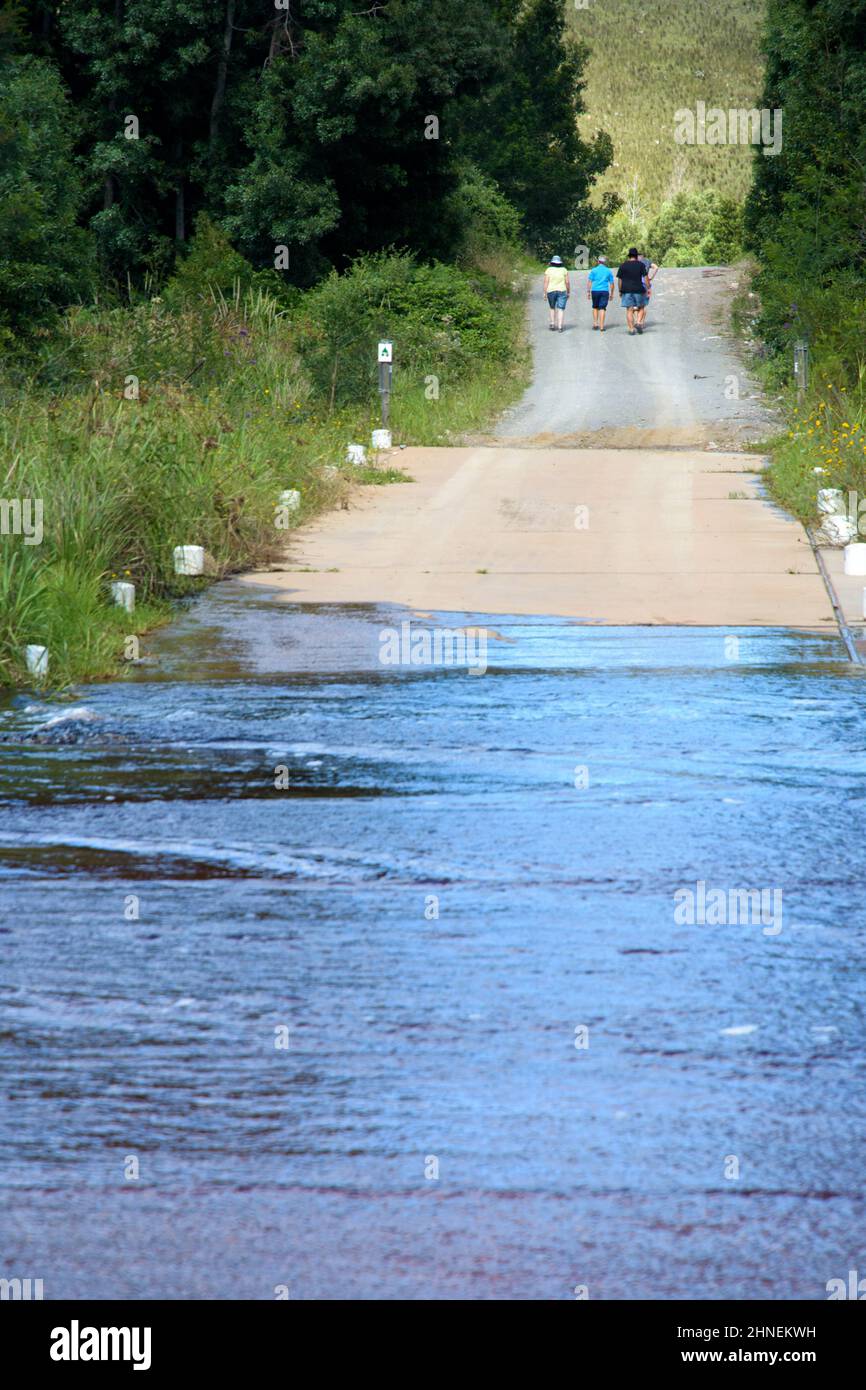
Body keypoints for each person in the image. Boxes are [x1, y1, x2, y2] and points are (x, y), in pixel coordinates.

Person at [616, 247, 649, 336]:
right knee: (641, 307)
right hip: (638, 290)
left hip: (626, 290)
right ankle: (638, 322)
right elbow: (646, 278)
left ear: (629, 256)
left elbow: (619, 279)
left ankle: (631, 329)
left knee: (629, 310)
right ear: (636, 256)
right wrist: (648, 288)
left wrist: (620, 290)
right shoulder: (641, 265)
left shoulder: (623, 265)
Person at [586, 254, 615, 332]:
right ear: (605, 262)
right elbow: (612, 284)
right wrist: (612, 294)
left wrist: (588, 292)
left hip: (595, 290)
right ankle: (602, 327)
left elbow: (589, 281)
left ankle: (595, 324)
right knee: (602, 308)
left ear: (598, 262)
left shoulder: (594, 270)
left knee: (595, 307)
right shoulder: (608, 271)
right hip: (604, 291)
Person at [543, 255, 570, 333]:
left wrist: (544, 293)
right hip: (562, 290)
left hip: (551, 291)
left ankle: (552, 323)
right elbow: (567, 282)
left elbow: (546, 282)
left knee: (552, 307)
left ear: (552, 262)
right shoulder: (564, 270)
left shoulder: (548, 270)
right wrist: (568, 292)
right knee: (561, 309)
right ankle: (560, 326)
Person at [635, 252, 659, 330]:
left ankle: (637, 321)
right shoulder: (647, 261)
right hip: (646, 284)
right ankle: (641, 323)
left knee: (636, 305)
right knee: (643, 305)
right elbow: (656, 267)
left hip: (635, 284)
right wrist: (651, 277)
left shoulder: (635, 261)